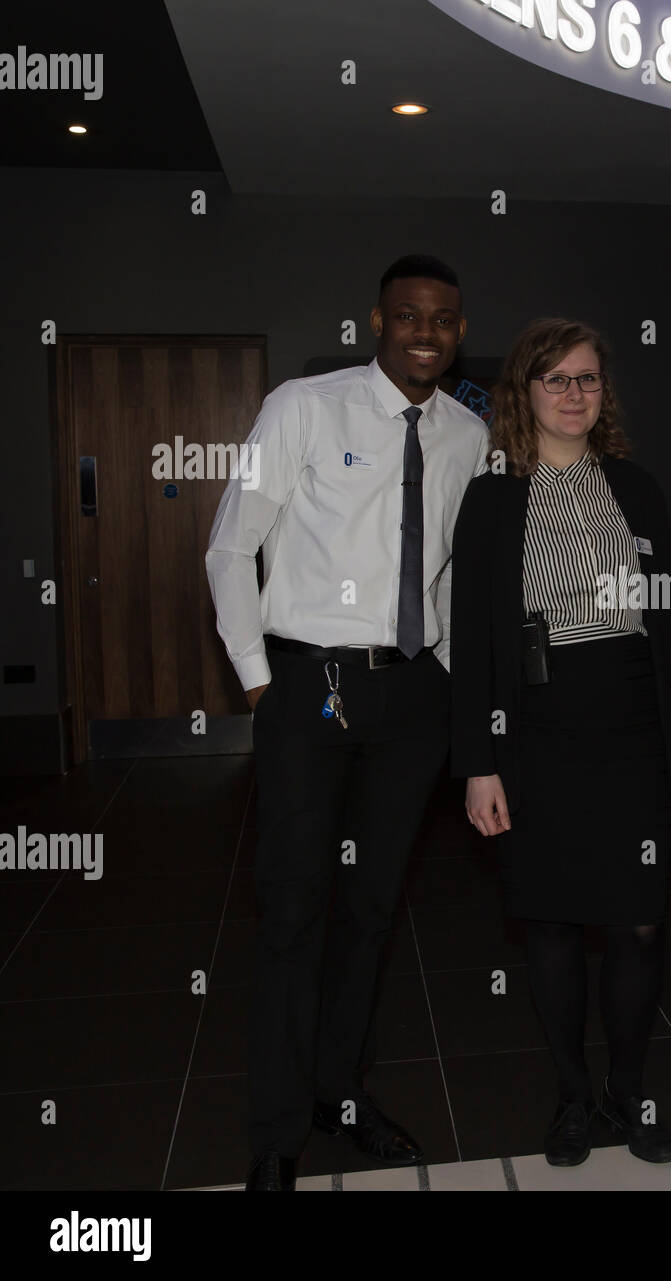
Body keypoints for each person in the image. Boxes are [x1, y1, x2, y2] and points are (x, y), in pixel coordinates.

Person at [206, 254, 489, 1190]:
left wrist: (445, 677)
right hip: (309, 688)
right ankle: (276, 1135)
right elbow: (228, 545)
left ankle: (342, 1094)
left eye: (443, 318)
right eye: (408, 314)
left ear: (458, 330)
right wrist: (259, 683)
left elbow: (450, 570)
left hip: (412, 699)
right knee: (294, 912)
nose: (425, 330)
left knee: (371, 910)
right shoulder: (302, 405)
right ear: (376, 320)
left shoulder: (467, 434)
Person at [449, 318, 671, 1167]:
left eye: (588, 379)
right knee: (553, 923)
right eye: (555, 378)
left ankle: (629, 1090)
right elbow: (473, 639)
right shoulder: (493, 495)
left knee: (637, 923)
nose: (572, 394)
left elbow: (670, 622)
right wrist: (478, 761)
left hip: (634, 730)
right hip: (536, 733)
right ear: (523, 391)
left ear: (606, 393)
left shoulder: (636, 488)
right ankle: (572, 1096)